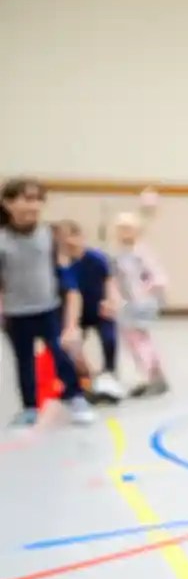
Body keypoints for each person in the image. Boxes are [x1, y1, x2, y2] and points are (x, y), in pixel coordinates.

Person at [0, 178, 95, 426]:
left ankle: (75, 397)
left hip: (49, 309)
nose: (33, 205)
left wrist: (71, 321)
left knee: (60, 354)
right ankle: (30, 406)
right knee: (24, 360)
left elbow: (65, 275)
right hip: (16, 313)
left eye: (38, 200)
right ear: (9, 203)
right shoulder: (2, 239)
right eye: (26, 199)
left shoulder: (49, 235)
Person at [55, 220, 125, 402]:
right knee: (72, 348)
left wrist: (111, 301)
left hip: (99, 309)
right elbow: (70, 293)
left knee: (109, 340)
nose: (69, 242)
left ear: (80, 237)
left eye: (72, 236)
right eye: (63, 238)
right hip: (77, 312)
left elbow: (109, 280)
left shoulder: (96, 257)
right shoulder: (64, 265)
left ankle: (109, 374)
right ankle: (85, 379)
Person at [111, 211, 170, 398]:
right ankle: (152, 376)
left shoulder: (139, 254)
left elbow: (157, 277)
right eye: (120, 228)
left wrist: (148, 293)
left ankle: (152, 376)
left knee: (138, 341)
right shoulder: (122, 253)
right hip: (130, 302)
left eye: (127, 228)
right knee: (137, 341)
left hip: (139, 302)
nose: (122, 232)